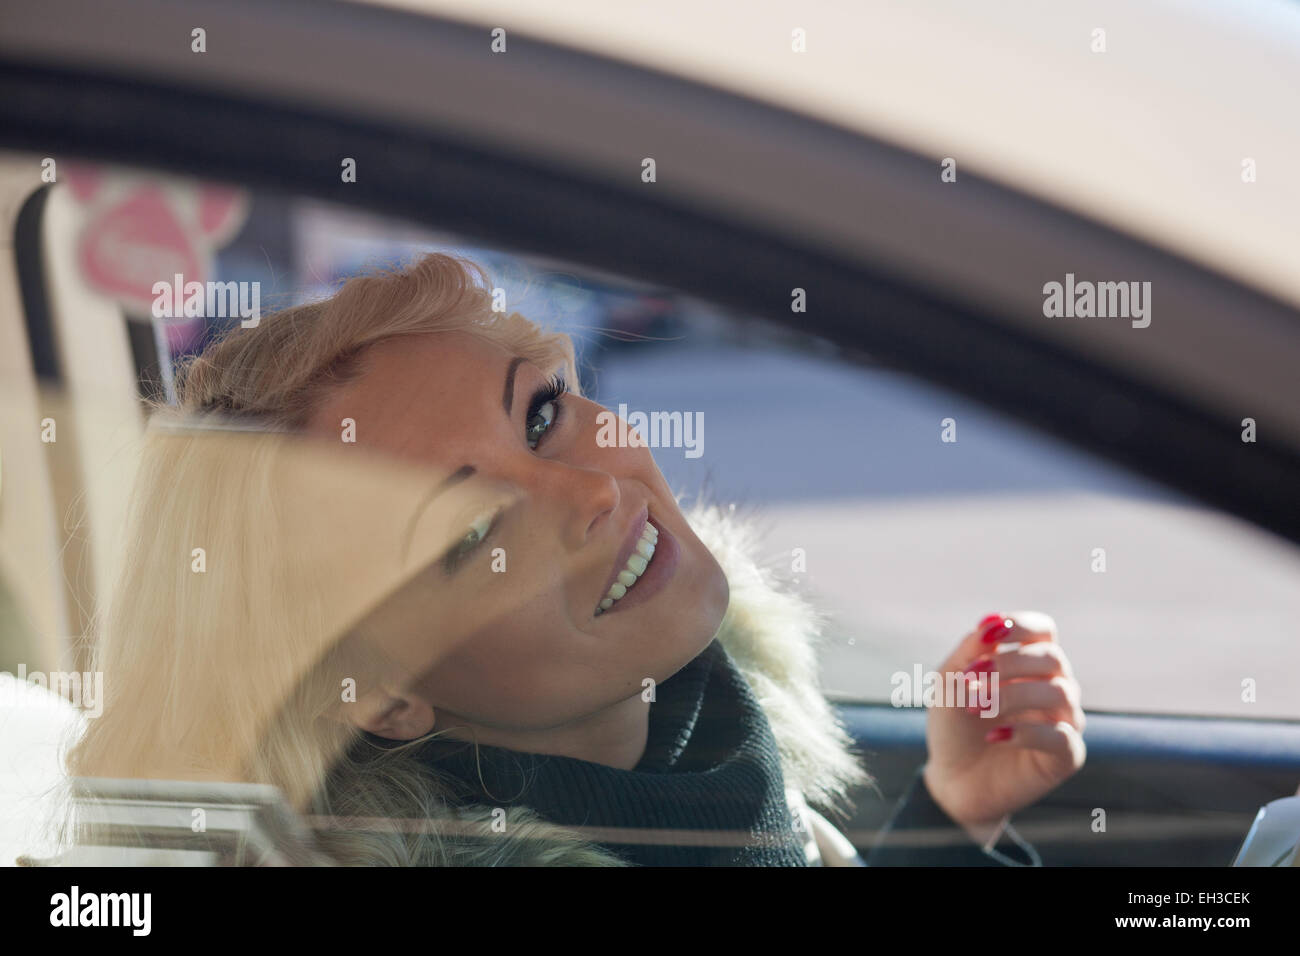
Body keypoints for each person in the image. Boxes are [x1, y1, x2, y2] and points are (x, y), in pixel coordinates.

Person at [60, 253, 1085, 866]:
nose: (592, 492)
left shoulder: (707, 756)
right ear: (382, 696)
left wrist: (953, 818)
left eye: (542, 411)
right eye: (469, 532)